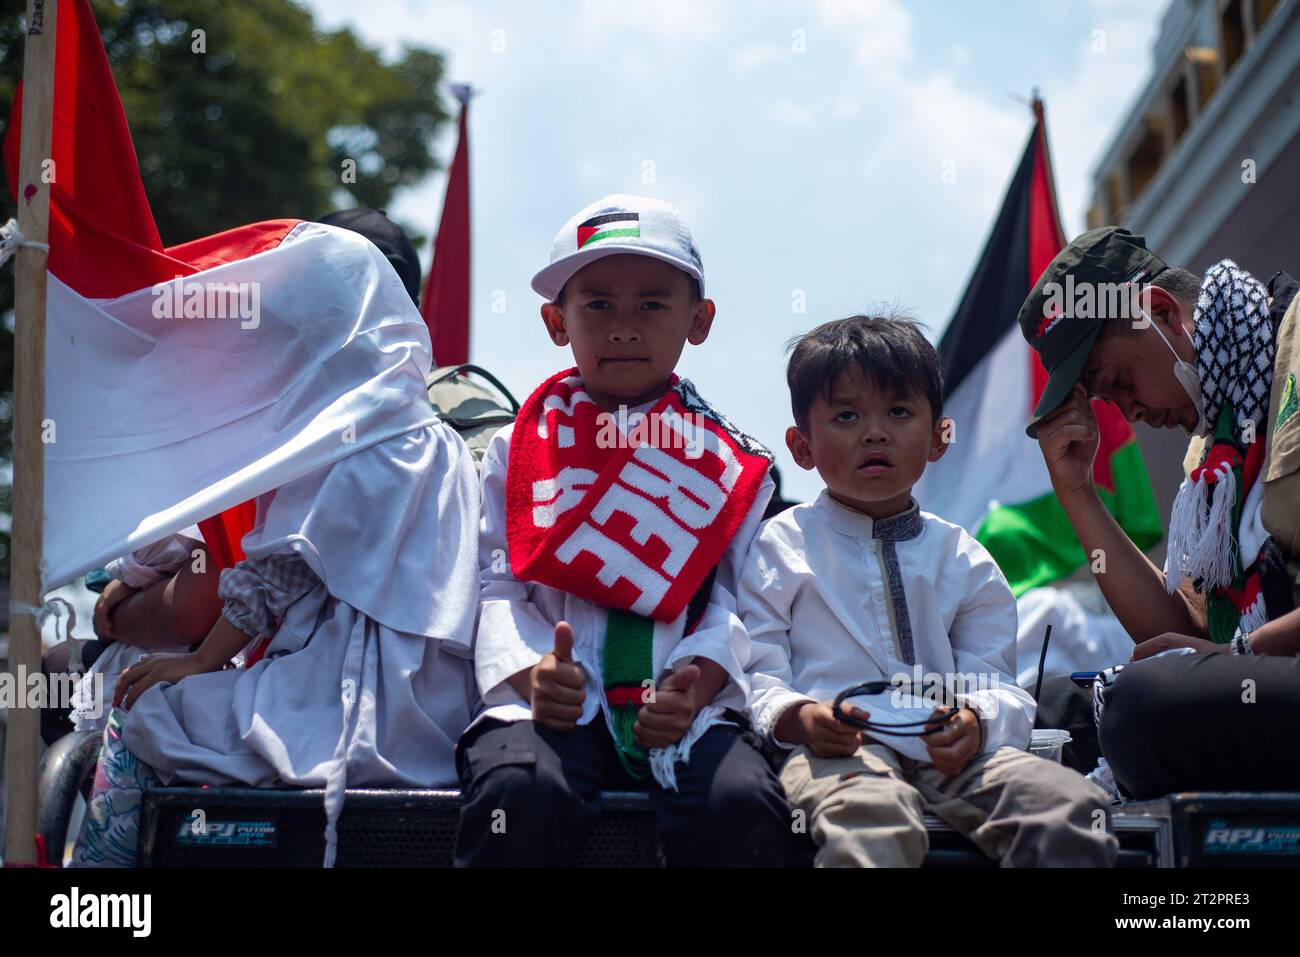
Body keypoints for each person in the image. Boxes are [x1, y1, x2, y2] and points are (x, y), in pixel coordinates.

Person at [69, 221, 481, 868]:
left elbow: (275, 576)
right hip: (439, 712)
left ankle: (92, 892)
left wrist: (201, 661)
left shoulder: (346, 440)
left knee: (147, 713)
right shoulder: (439, 438)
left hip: (349, 708)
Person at [454, 194, 796, 867]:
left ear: (699, 321)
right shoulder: (517, 448)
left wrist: (695, 683)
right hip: (547, 709)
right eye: (598, 304)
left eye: (652, 303)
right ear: (557, 321)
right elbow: (497, 582)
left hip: (684, 712)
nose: (624, 327)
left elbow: (739, 601)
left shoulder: (731, 464)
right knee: (515, 792)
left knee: (742, 803)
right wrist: (531, 675)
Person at [739, 314, 1118, 867]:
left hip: (955, 753)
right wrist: (800, 718)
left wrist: (973, 721)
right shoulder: (779, 545)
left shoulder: (964, 558)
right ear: (801, 446)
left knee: (1071, 805)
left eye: (898, 411)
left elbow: (1002, 689)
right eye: (846, 415)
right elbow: (756, 676)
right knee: (874, 823)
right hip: (835, 752)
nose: (875, 432)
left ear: (941, 436)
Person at [1020, 227, 1300, 798]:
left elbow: (1205, 661)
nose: (1128, 410)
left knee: (1143, 707)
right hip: (1261, 687)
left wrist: (1239, 656)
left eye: (1118, 380)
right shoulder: (1216, 455)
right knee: (1044, 716)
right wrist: (1078, 492)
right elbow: (1180, 638)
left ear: (1163, 313)